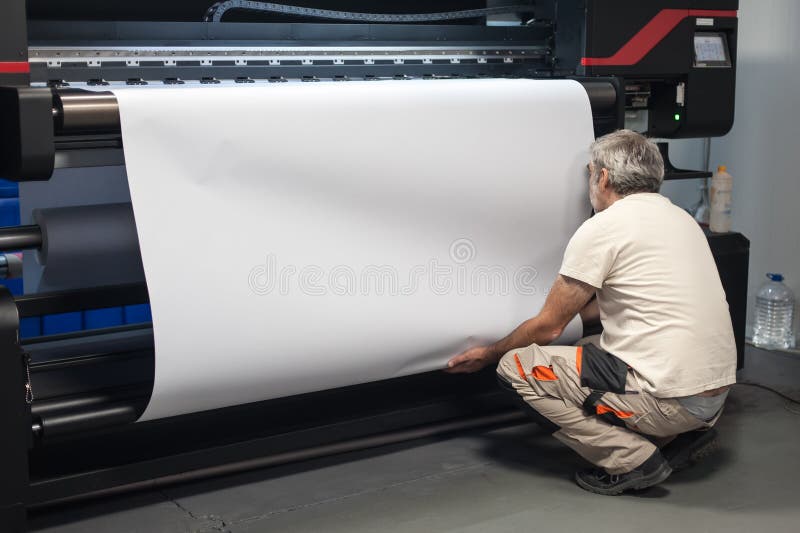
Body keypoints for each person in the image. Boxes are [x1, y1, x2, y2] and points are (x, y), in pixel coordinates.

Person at [446, 130, 736, 495]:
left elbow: (548, 329)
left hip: (672, 400)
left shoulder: (605, 226)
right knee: (591, 344)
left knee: (515, 366)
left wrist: (489, 353)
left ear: (603, 177)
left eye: (589, 174)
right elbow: (624, 298)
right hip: (713, 397)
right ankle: (685, 436)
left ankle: (632, 460)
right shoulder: (680, 219)